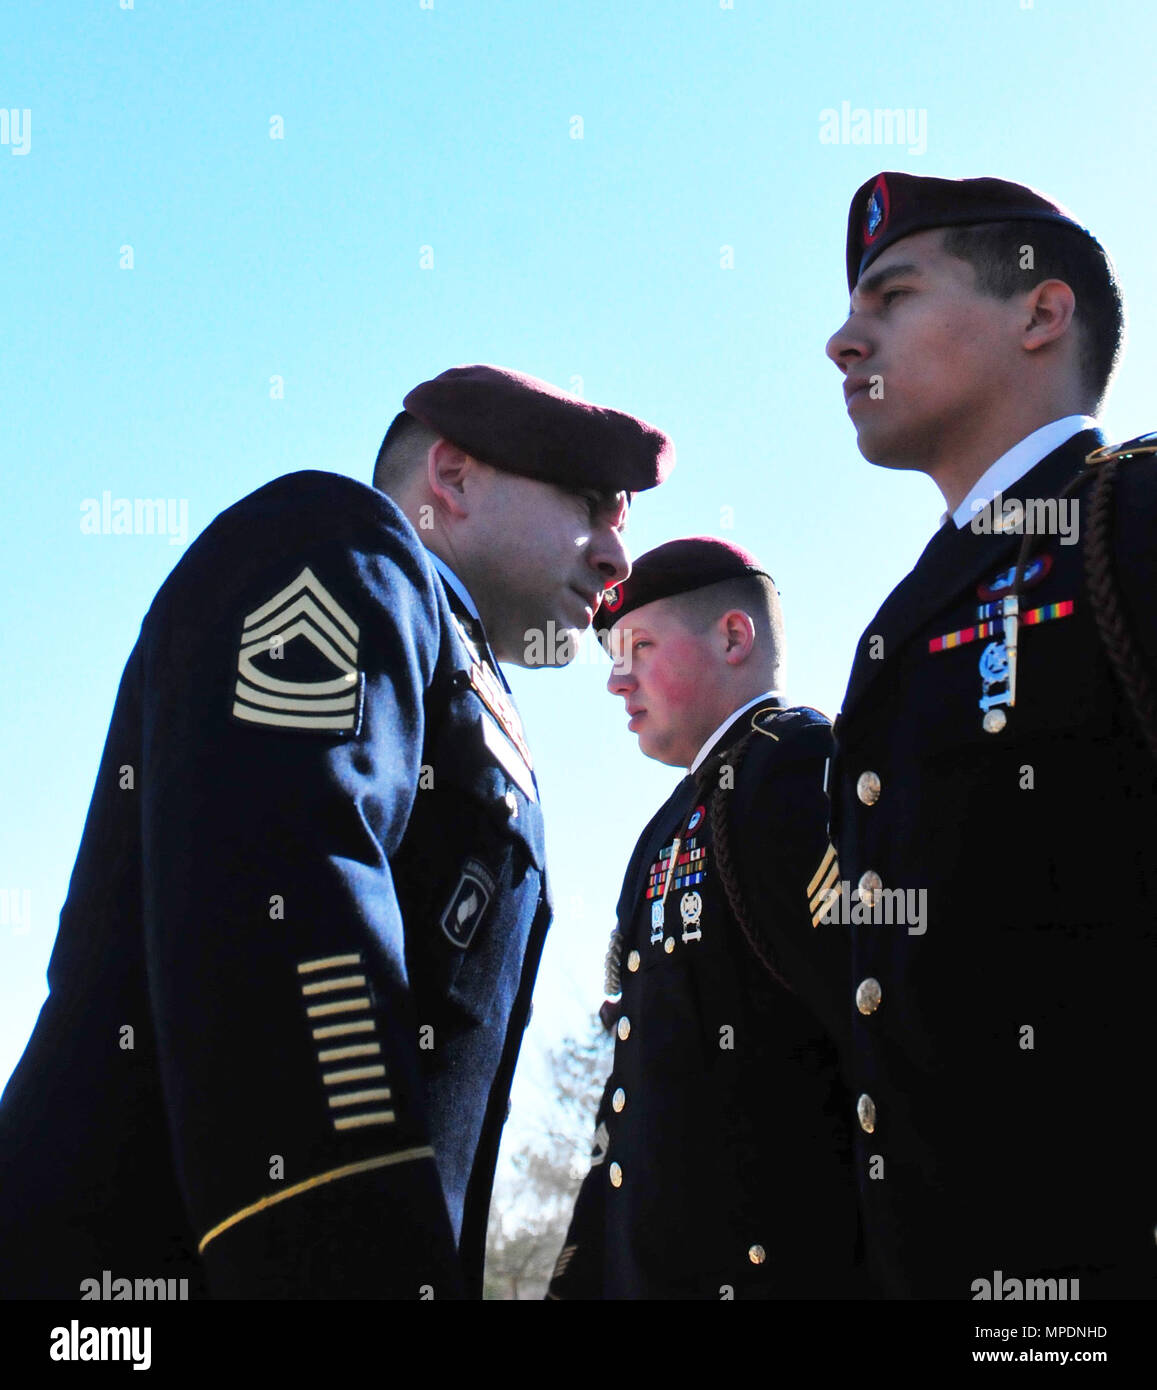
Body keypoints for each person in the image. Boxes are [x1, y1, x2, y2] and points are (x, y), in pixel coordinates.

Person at [0, 363, 673, 1300]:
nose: (615, 558)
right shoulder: (335, 544)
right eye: (591, 506)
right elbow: (286, 898)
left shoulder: (447, 653)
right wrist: (352, 1255)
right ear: (454, 478)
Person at [824, 172, 1157, 1298]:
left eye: (892, 297)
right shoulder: (910, 614)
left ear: (1037, 311)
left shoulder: (1132, 516)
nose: (841, 339)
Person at [546, 538, 862, 1300]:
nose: (617, 681)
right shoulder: (664, 828)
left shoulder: (793, 767)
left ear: (732, 636)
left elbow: (870, 1021)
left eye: (639, 647)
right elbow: (627, 1105)